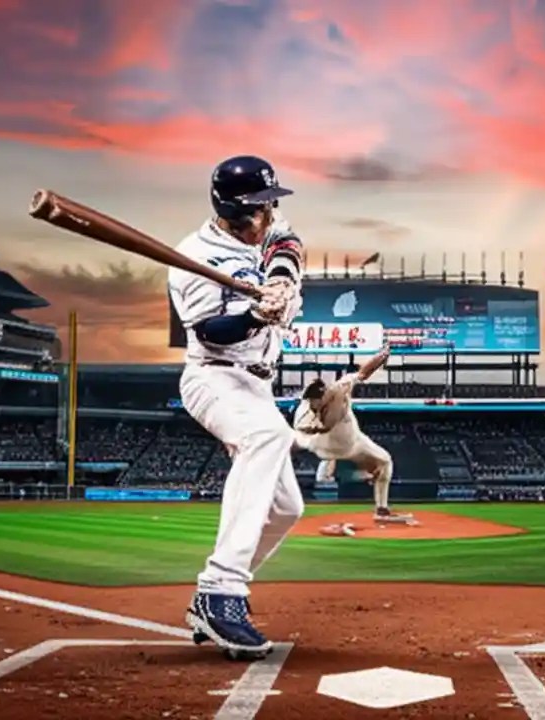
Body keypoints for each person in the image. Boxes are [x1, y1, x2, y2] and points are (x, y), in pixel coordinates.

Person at [168, 155, 305, 660]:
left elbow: (289, 242)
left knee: (289, 508)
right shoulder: (191, 257)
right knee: (268, 438)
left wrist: (284, 280)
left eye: (268, 208)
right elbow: (210, 330)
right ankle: (220, 590)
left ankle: (219, 591)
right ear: (228, 210)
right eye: (256, 212)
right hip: (213, 377)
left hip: (260, 385)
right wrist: (254, 314)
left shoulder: (267, 225)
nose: (265, 219)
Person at [293, 344, 412, 524]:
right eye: (313, 399)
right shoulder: (304, 410)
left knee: (385, 461)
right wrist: (313, 427)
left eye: (318, 397)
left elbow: (363, 373)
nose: (315, 401)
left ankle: (381, 509)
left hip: (354, 442)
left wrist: (381, 356)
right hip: (324, 446)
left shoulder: (340, 387)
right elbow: (303, 430)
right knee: (289, 442)